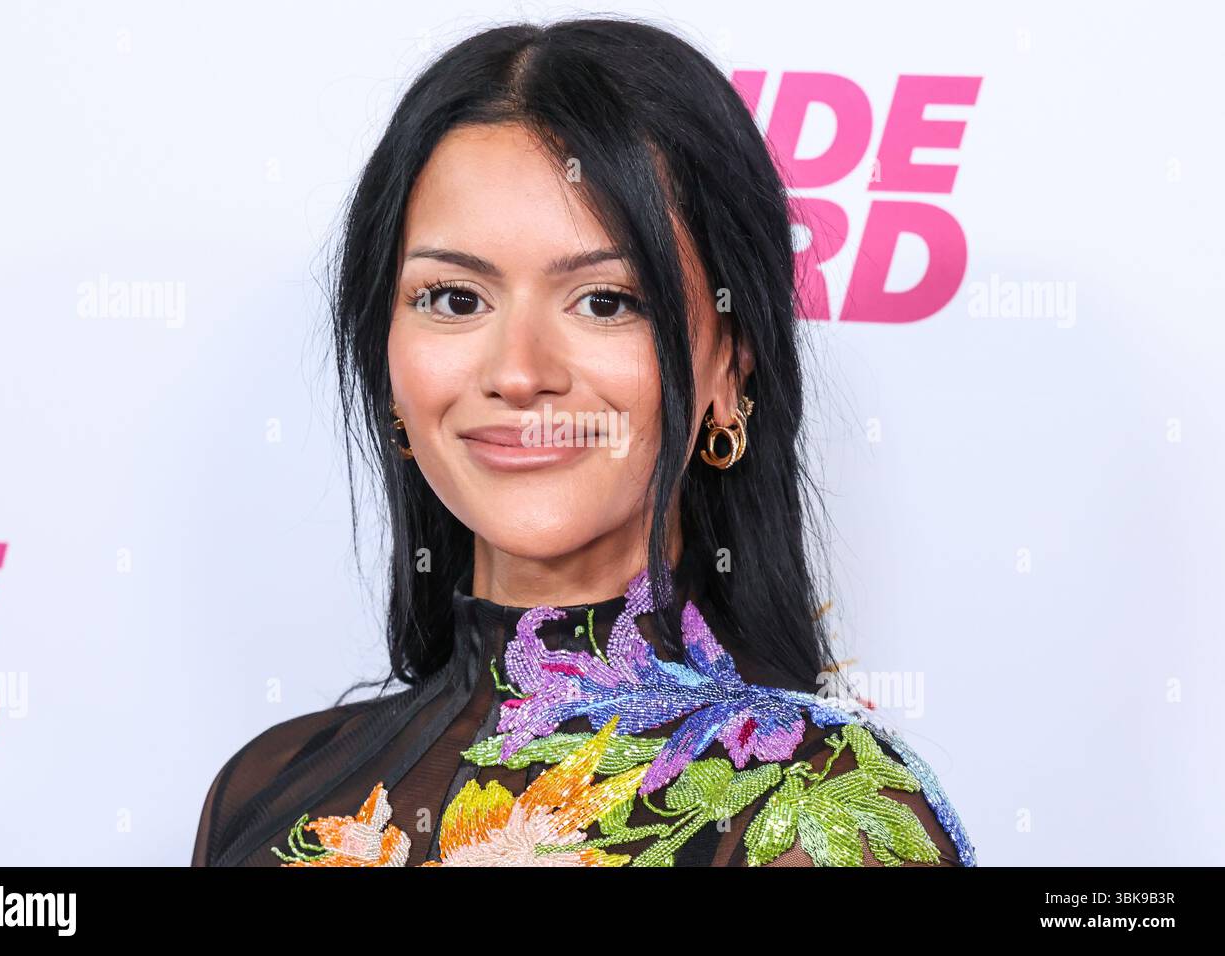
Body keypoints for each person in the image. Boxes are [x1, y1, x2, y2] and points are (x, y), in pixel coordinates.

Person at [190, 17, 977, 868]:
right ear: (387, 365)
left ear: (728, 374)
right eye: (454, 299)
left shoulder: (820, 817)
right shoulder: (273, 790)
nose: (519, 373)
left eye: (605, 301)